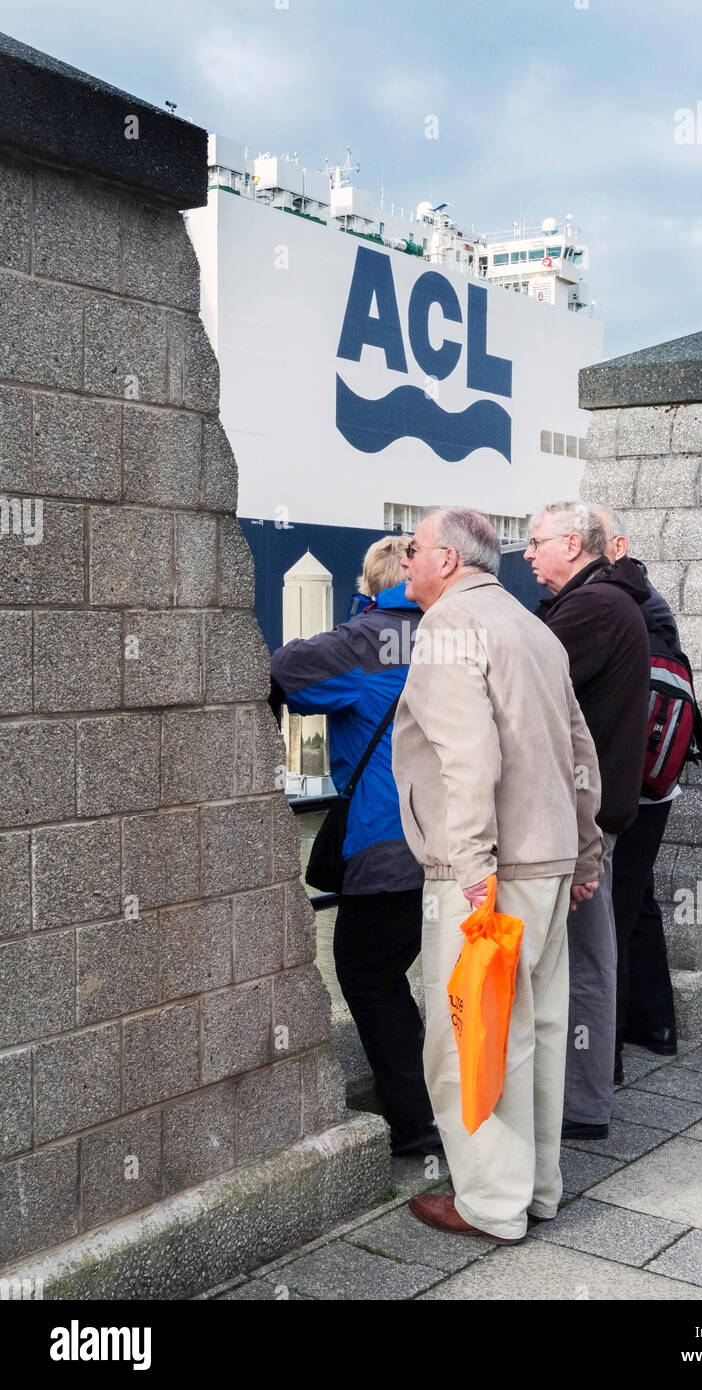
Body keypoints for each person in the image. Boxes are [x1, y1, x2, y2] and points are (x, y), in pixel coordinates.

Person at [392, 507, 602, 1244]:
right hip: (547, 861)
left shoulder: (450, 625)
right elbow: (580, 750)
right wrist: (585, 852)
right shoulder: (534, 628)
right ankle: (537, 1188)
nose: (405, 559)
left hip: (487, 870)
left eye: (413, 547)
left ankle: (489, 1203)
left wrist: (474, 864)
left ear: (448, 559)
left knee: (470, 1037)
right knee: (536, 1031)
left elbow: (468, 755)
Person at [270, 536, 437, 1156]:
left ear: (369, 587)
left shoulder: (367, 640)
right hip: (455, 844)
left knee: (367, 974)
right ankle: (452, 1104)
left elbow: (282, 670)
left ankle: (418, 1124)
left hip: (387, 839)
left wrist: (359, 615)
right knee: (418, 970)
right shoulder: (451, 636)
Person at [525, 501, 649, 1136]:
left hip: (581, 821)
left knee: (581, 964)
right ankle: (583, 1099)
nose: (527, 553)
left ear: (572, 544)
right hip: (596, 814)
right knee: (589, 959)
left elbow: (519, 685)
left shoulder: (593, 607)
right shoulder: (611, 600)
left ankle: (578, 1106)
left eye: (536, 541)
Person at [593, 506, 681, 1071]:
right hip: (657, 781)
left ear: (617, 546)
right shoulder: (651, 601)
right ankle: (656, 1023)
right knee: (637, 901)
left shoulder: (616, 604)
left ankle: (609, 1053)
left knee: (613, 914)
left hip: (625, 783)